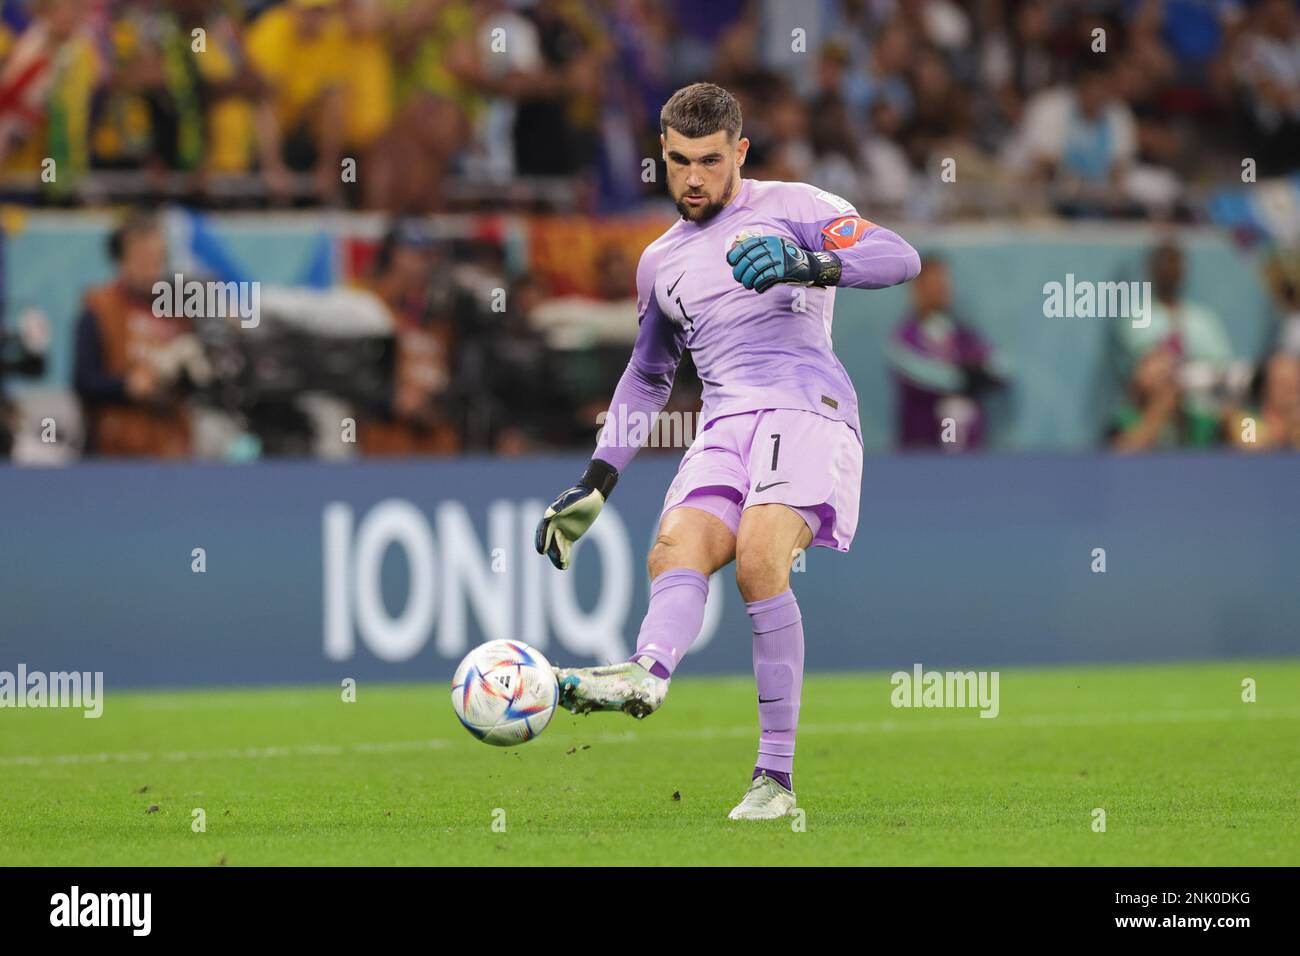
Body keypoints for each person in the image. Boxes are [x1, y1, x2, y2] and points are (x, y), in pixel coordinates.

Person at [533, 83, 920, 821]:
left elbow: (900, 258)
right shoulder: (659, 263)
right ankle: (645, 675)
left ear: (739, 152)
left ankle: (775, 782)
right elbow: (647, 377)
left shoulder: (798, 207)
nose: (693, 178)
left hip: (808, 407)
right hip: (723, 425)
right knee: (674, 548)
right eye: (678, 161)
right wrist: (595, 482)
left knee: (757, 558)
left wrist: (807, 265)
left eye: (709, 161)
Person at [888, 256, 1005, 450]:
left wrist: (982, 372)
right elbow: (914, 370)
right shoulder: (905, 337)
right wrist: (964, 378)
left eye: (942, 283)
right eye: (931, 284)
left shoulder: (963, 334)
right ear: (916, 290)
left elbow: (999, 366)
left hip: (972, 452)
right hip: (921, 447)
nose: (939, 290)